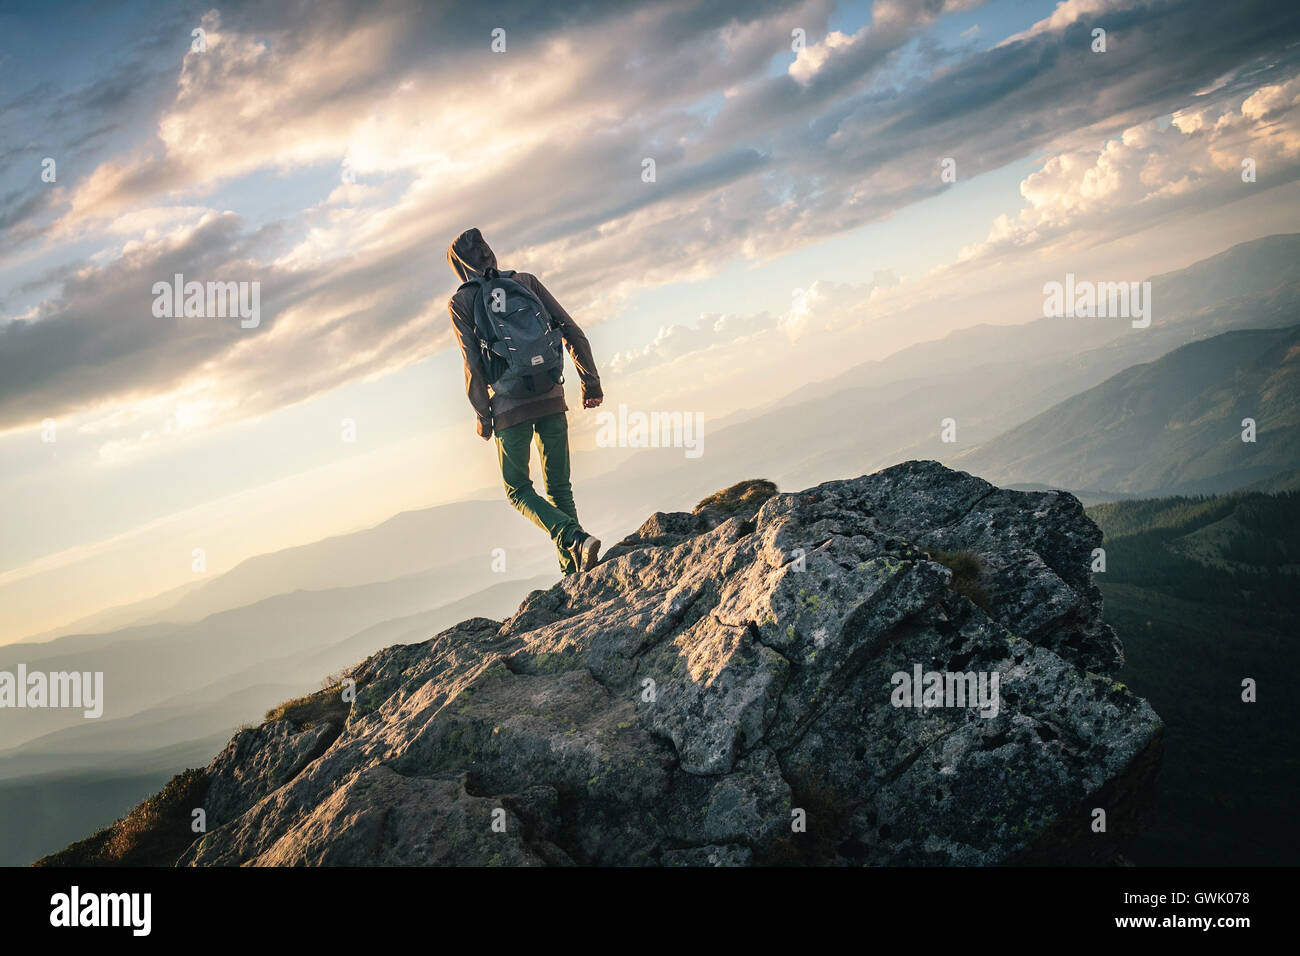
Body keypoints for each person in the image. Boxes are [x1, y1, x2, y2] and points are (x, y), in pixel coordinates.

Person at [447, 227, 604, 575]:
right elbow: (571, 329)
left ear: (459, 266)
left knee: (518, 490)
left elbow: (472, 363)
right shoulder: (526, 283)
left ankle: (573, 541)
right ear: (490, 252)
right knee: (560, 489)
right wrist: (590, 381)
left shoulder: (462, 302)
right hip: (550, 394)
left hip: (508, 406)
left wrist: (483, 417)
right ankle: (575, 570)